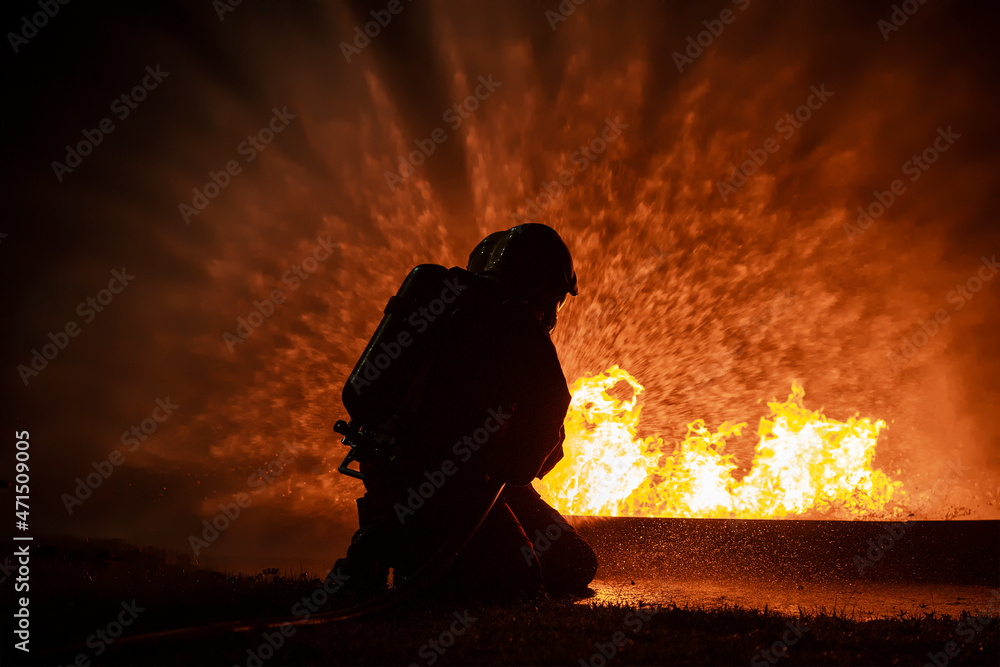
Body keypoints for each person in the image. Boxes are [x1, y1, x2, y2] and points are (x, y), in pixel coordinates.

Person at [331, 223, 597, 601]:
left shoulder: (438, 297)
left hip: (389, 471)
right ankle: (389, 549)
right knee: (520, 585)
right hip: (463, 490)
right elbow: (527, 462)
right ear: (544, 286)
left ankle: (394, 540)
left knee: (571, 562)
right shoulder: (524, 332)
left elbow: (363, 397)